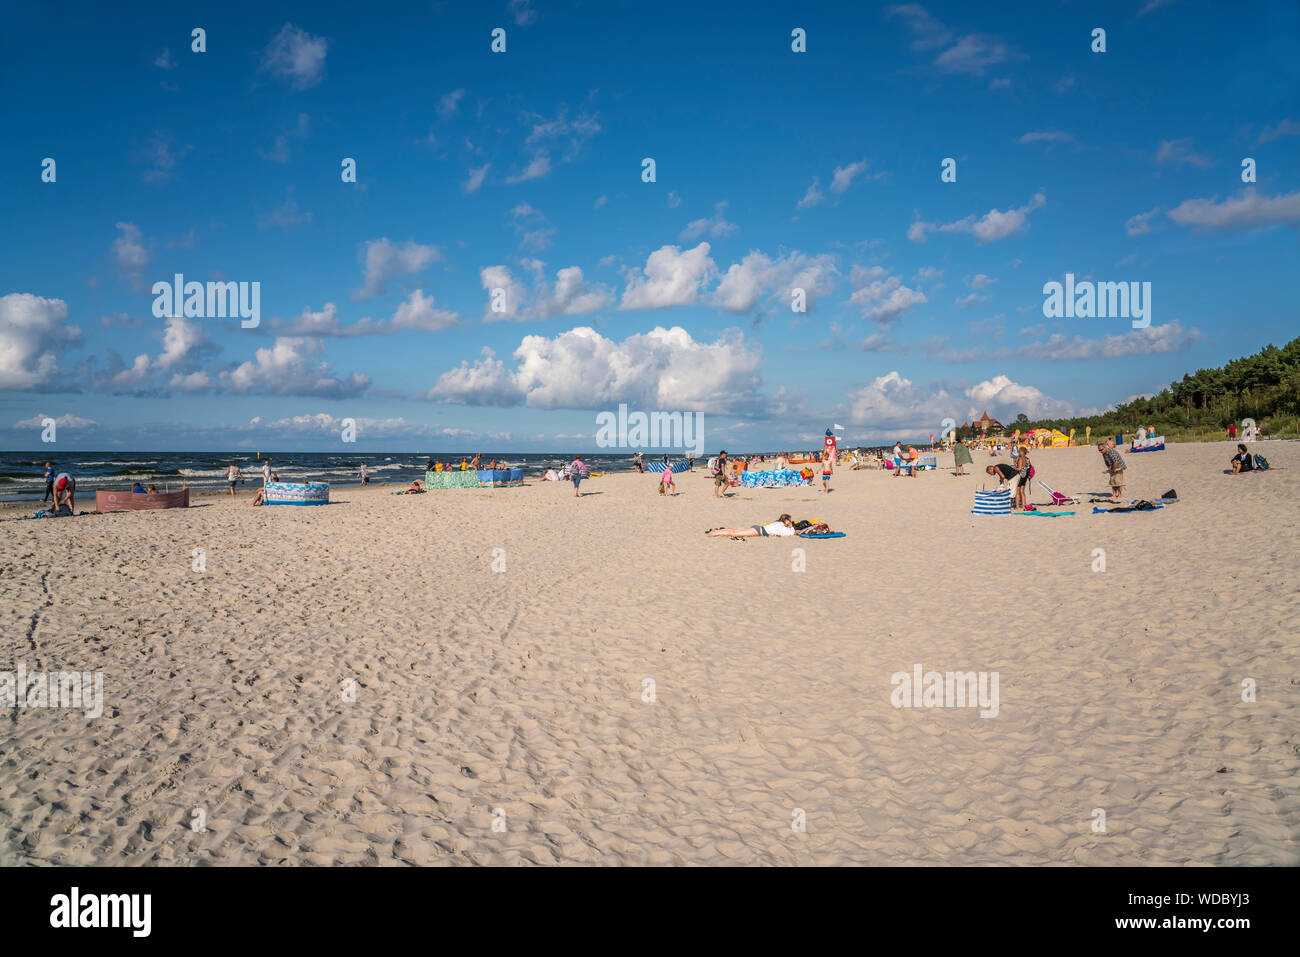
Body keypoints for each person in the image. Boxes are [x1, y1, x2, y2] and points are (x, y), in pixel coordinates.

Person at [707, 514, 795, 538]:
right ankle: (714, 534)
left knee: (736, 531)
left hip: (758, 529)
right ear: (786, 520)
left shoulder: (777, 523)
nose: (790, 522)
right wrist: (791, 526)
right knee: (734, 533)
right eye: (789, 520)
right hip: (758, 531)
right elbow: (789, 533)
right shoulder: (781, 525)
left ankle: (717, 532)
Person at [1014, 446, 1033, 510]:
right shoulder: (1027, 458)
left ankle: (1017, 506)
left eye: (1019, 451)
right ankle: (1023, 505)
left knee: (1017, 491)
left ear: (1022, 452)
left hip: (1020, 476)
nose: (1018, 452)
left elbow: (1019, 468)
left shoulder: (1020, 459)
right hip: (1025, 476)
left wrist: (1013, 468)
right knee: (1022, 491)